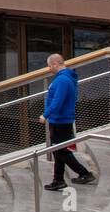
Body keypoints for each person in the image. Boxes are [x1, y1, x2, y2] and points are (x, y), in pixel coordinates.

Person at [39, 54, 95, 191]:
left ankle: (84, 173)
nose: (49, 69)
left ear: (55, 64)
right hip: (62, 120)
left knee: (61, 151)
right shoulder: (66, 78)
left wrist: (45, 115)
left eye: (49, 66)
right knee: (59, 151)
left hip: (59, 121)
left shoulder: (62, 80)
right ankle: (58, 180)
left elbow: (58, 101)